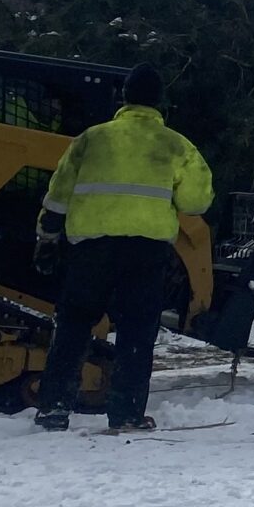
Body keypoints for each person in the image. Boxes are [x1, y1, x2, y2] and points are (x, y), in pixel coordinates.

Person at [33, 64, 215, 434]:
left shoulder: (90, 139)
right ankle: (127, 413)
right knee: (136, 330)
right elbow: (196, 202)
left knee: (73, 325)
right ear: (159, 102)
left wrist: (47, 239)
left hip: (91, 248)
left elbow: (58, 196)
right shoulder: (177, 145)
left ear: (123, 97)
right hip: (145, 252)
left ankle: (53, 408)